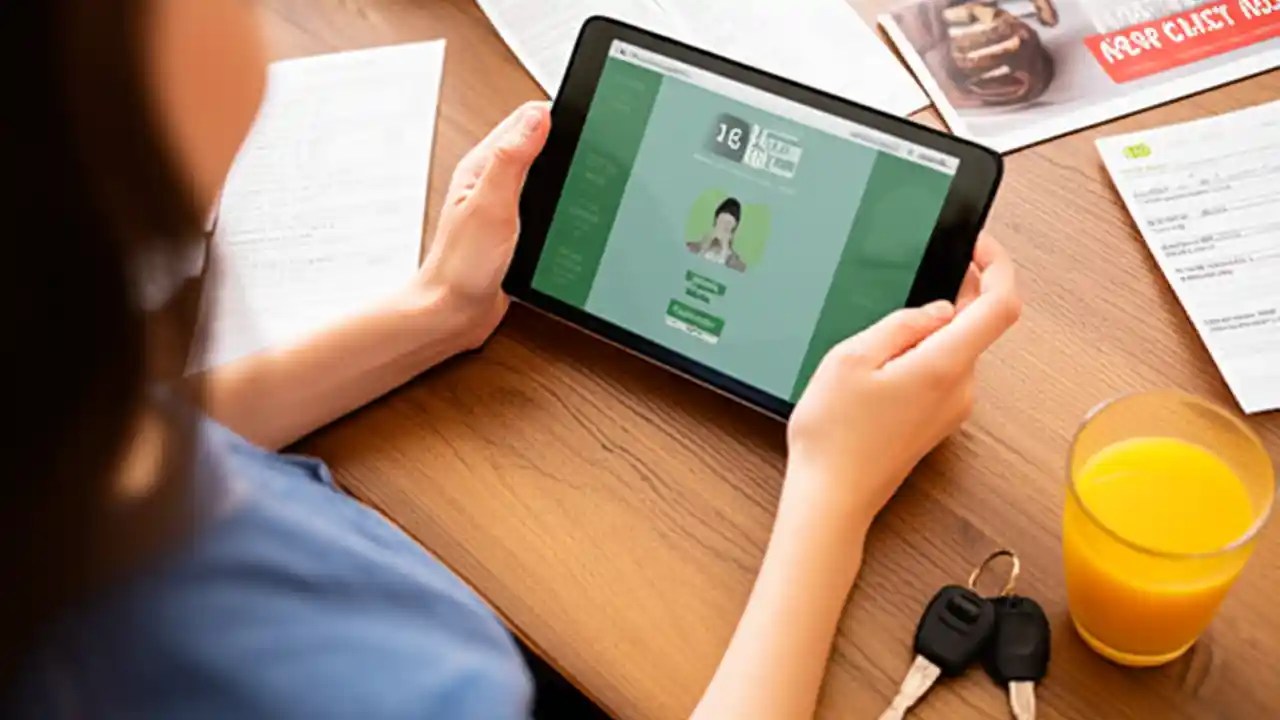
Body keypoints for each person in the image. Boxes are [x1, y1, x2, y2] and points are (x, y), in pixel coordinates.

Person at [2, 1, 1021, 719]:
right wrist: (832, 496)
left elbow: (90, 443)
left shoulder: (54, 448)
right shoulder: (323, 676)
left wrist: (435, 313)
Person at [686, 197, 748, 272]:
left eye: (727, 227)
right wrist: (704, 246)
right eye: (721, 223)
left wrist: (725, 249)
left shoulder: (737, 263)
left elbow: (740, 270)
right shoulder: (692, 247)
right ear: (715, 221)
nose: (721, 231)